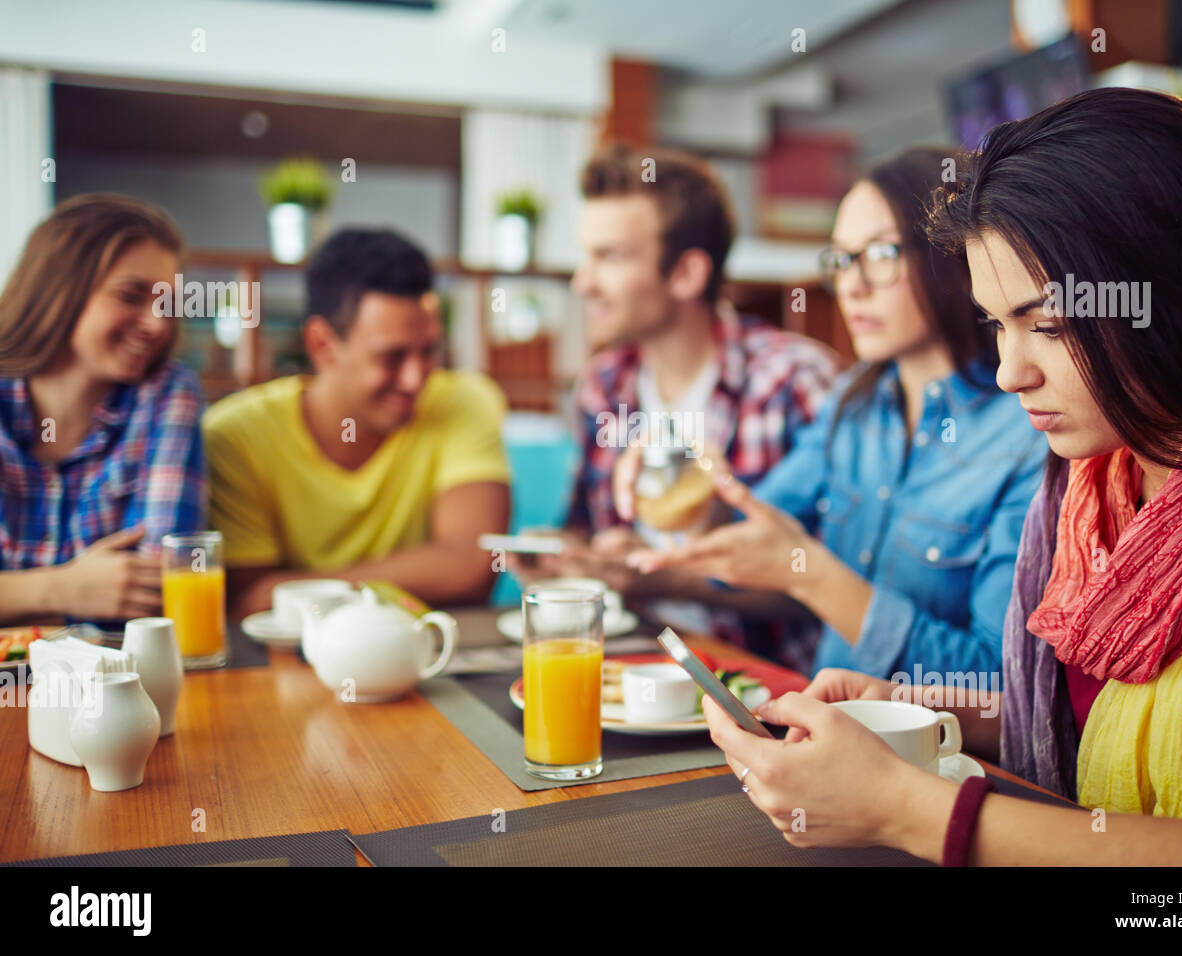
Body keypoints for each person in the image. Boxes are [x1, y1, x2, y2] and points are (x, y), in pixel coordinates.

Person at [702, 88, 1182, 865]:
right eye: (997, 325)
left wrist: (905, 809)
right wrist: (911, 707)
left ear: (1179, 296)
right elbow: (1064, 719)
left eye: (1046, 325)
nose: (1012, 372)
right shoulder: (1092, 489)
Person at [626, 147, 1047, 678]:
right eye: (842, 260)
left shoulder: (1027, 432)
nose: (852, 285)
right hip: (823, 729)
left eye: (879, 254)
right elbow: (751, 529)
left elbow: (997, 683)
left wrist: (813, 576)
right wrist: (681, 466)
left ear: (953, 256)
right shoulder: (853, 406)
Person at [516, 143, 844, 672]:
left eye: (610, 257)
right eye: (586, 255)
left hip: (757, 687)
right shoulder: (601, 386)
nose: (583, 282)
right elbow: (581, 526)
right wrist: (563, 555)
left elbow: (830, 581)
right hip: (627, 667)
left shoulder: (795, 381)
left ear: (687, 274)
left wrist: (666, 578)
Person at [204, 228, 510, 619]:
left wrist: (300, 588)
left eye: (429, 350)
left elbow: (471, 566)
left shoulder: (464, 401)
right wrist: (415, 575)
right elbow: (248, 604)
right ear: (322, 345)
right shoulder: (235, 435)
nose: (416, 379)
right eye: (392, 357)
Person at [0, 194, 205, 624]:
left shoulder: (168, 394)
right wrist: (64, 588)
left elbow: (156, 593)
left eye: (166, 304)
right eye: (131, 296)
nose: (156, 325)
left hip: (109, 684)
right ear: (58, 289)